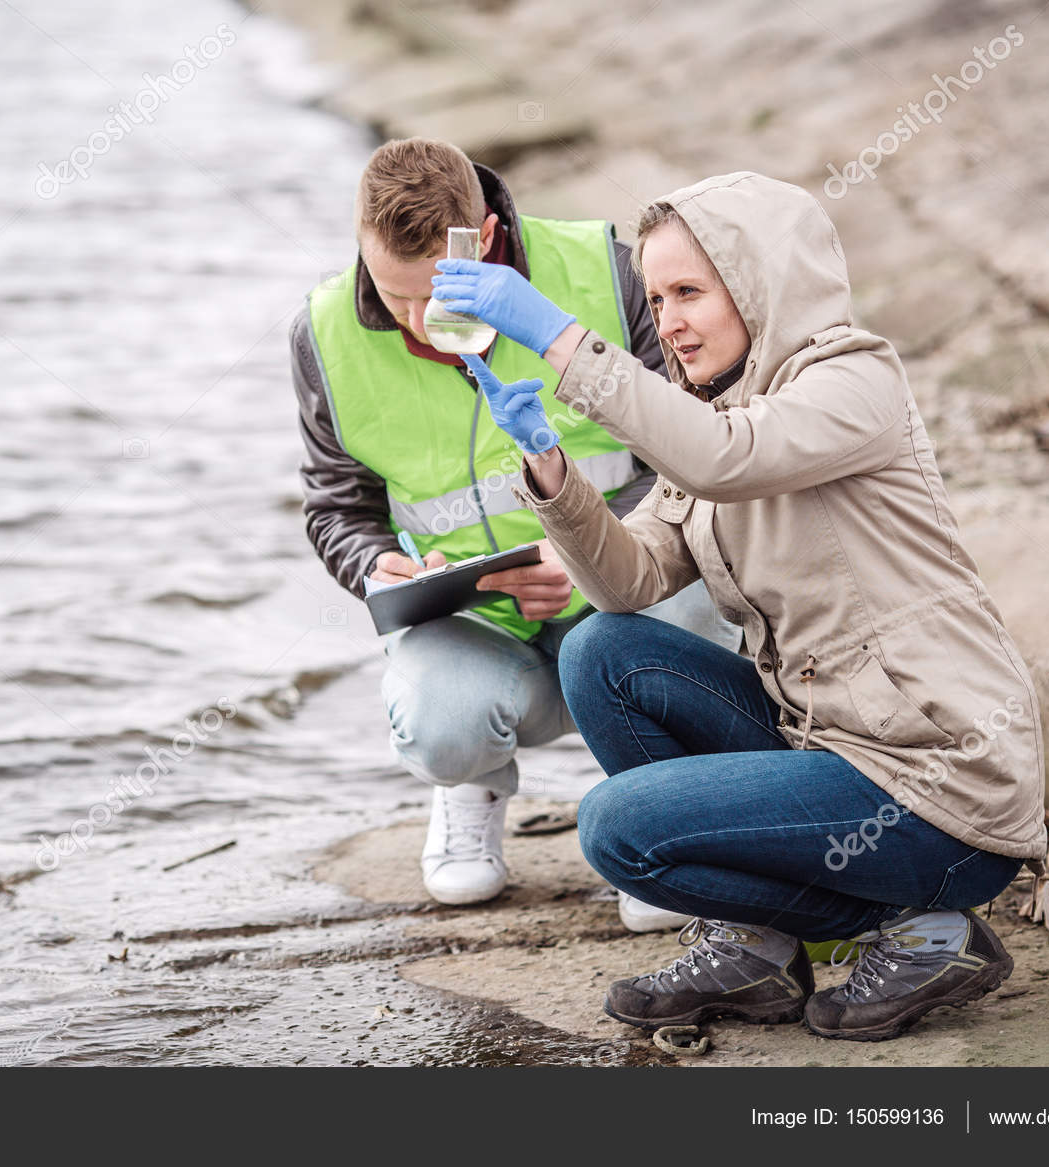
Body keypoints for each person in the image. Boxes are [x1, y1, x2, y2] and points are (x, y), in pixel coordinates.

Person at [429, 171, 1046, 1041]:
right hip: (827, 747)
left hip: (937, 781)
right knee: (600, 651)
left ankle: (927, 929)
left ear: (760, 284)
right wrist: (549, 471)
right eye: (655, 297)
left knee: (619, 831)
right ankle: (756, 947)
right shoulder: (711, 411)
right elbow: (629, 580)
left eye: (690, 292)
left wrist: (557, 337)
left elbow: (726, 459)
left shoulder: (852, 379)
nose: (669, 320)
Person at [292, 138, 740, 913]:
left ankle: (658, 809)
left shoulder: (610, 269)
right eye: (391, 293)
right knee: (442, 721)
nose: (414, 321)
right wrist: (374, 566)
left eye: (431, 297)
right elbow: (336, 505)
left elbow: (698, 450)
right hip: (473, 627)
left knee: (701, 602)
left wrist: (591, 549)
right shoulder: (322, 331)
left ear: (486, 242)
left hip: (631, 597)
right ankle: (468, 786)